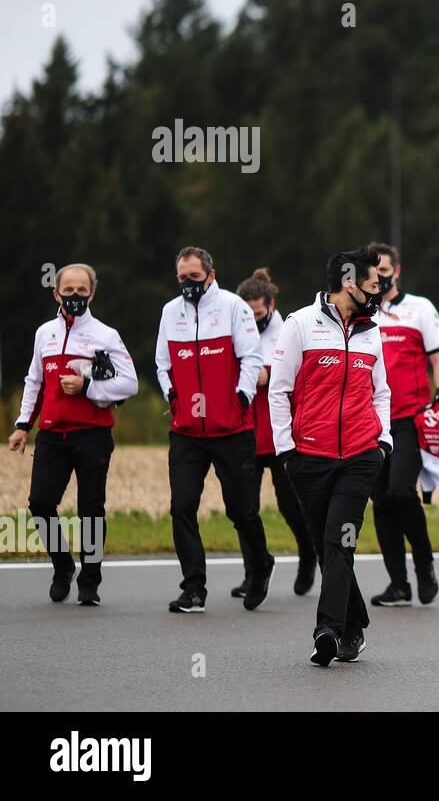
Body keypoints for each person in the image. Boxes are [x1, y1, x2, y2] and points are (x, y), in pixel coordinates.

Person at [270, 249, 392, 667]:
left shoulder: (373, 331)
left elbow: (381, 392)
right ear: (348, 283)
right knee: (329, 547)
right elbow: (278, 390)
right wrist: (287, 449)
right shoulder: (300, 324)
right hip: (309, 457)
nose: (380, 291)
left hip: (361, 455)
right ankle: (355, 625)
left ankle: (328, 629)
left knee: (341, 539)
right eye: (374, 284)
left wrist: (384, 441)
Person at [9, 263, 138, 605]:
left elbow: (130, 383)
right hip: (52, 434)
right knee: (40, 503)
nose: (76, 297)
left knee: (90, 509)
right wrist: (24, 425)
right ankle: (63, 565)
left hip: (92, 435)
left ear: (92, 294)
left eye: (82, 291)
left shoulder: (105, 335)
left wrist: (88, 386)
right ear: (56, 293)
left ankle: (90, 582)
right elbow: (34, 381)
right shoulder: (44, 334)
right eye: (69, 291)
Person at [156, 247, 274, 614]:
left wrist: (239, 400)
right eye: (181, 279)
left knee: (241, 511)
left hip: (231, 429)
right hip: (187, 432)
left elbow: (252, 357)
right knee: (182, 508)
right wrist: (174, 398)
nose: (187, 285)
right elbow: (162, 363)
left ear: (210, 274)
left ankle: (261, 566)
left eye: (193, 277)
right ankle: (193, 589)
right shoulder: (169, 312)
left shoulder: (233, 307)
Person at [362, 242, 439, 608]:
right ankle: (398, 585)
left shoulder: (420, 309)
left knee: (401, 492)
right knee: (381, 500)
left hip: (410, 418)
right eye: (372, 273)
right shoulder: (359, 314)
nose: (379, 279)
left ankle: (424, 564)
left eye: (384, 272)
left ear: (396, 271)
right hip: (370, 422)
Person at [229, 268, 316, 599]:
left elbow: (306, 377)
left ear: (272, 304)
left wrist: (270, 376)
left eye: (259, 314)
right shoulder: (235, 331)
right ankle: (253, 572)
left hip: (281, 433)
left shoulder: (289, 331)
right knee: (244, 507)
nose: (254, 320)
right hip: (245, 433)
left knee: (290, 506)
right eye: (247, 314)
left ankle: (308, 555)